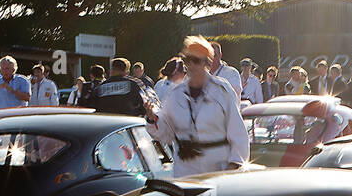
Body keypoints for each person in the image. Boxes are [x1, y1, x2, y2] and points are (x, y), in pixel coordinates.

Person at [154, 35, 249, 177]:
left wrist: (234, 164)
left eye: (196, 60)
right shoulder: (175, 94)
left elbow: (237, 130)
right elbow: (165, 133)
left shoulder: (222, 90)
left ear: (206, 62)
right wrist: (152, 119)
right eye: (187, 60)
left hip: (217, 171)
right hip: (185, 170)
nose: (191, 65)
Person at [82, 56, 149, 116]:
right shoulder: (134, 84)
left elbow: (91, 108)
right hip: (127, 124)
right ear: (126, 71)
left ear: (111, 70)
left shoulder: (100, 88)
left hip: (107, 125)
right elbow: (144, 107)